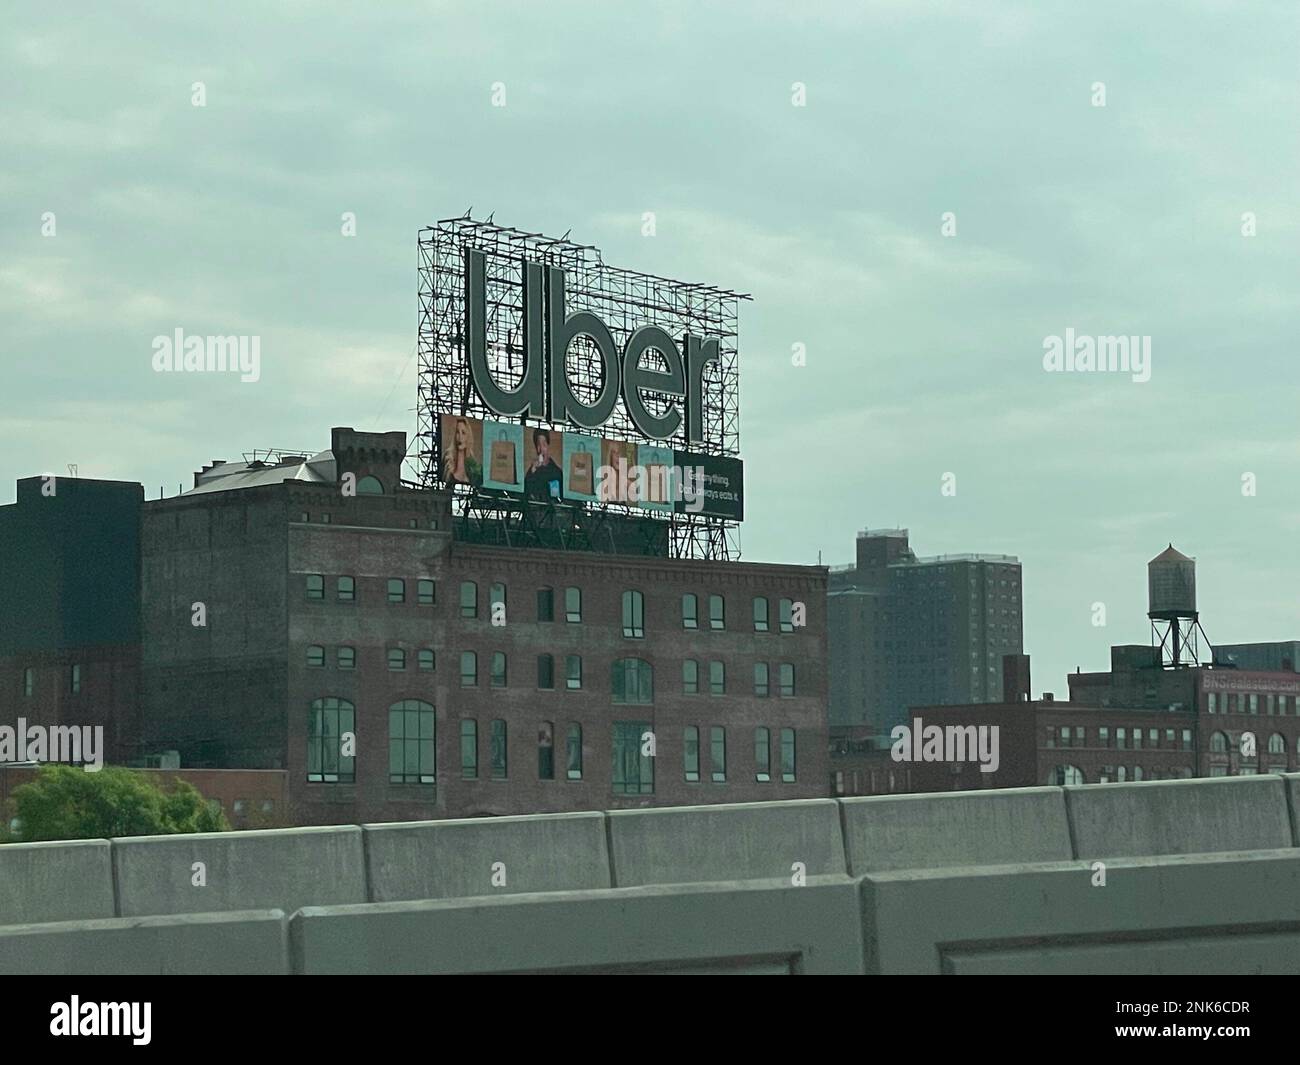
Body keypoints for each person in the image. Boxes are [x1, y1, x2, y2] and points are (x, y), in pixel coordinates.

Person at [524, 427, 563, 501]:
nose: (541, 449)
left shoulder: (556, 472)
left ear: (548, 446)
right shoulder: (533, 471)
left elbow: (556, 496)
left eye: (544, 444)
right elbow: (526, 493)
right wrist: (532, 471)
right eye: (538, 445)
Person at [442, 417, 483, 487]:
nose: (460, 437)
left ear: (468, 437)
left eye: (463, 433)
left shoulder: (472, 465)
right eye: (457, 432)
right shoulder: (448, 458)